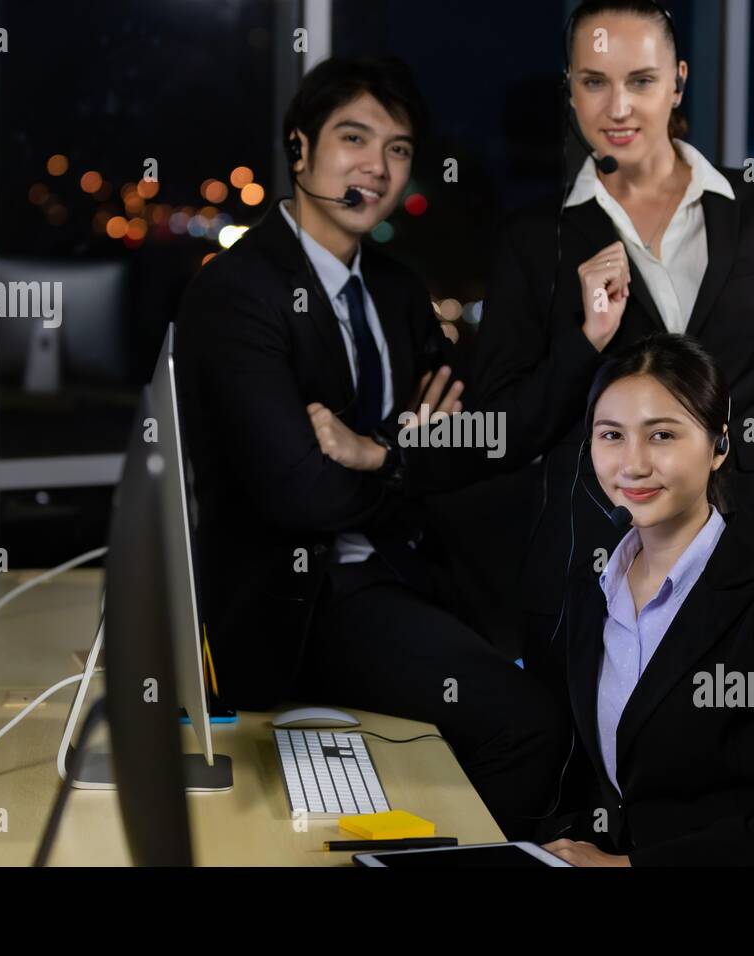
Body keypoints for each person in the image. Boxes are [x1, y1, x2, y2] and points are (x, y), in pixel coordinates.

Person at [173, 56, 567, 839]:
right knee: (527, 726)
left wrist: (373, 452)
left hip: (411, 572)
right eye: (353, 137)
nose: (377, 166)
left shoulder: (393, 286)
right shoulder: (238, 291)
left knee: (569, 684)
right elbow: (299, 495)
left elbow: (468, 440)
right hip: (306, 603)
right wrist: (401, 454)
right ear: (299, 149)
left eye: (397, 148)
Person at [470, 0, 754, 681]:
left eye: (640, 81)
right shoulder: (533, 240)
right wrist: (586, 344)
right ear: (570, 89)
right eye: (594, 81)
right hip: (595, 564)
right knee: (603, 772)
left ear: (676, 82)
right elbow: (502, 429)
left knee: (745, 772)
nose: (617, 107)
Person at [540, 333, 754, 866]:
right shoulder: (595, 581)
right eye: (611, 435)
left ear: (719, 446)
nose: (632, 465)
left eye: (662, 435)